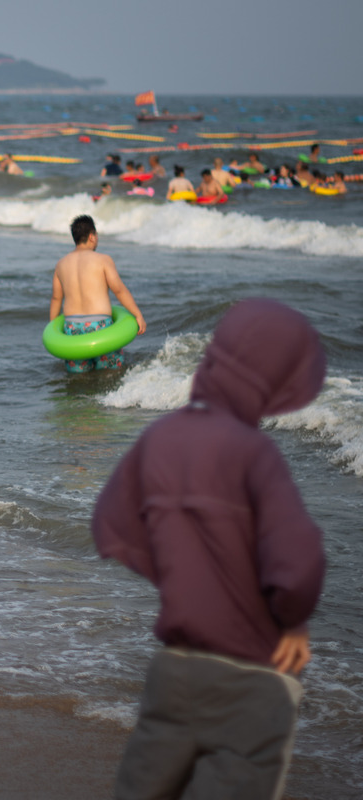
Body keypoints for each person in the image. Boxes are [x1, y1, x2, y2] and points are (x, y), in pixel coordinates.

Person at [92, 298, 325, 800]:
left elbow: (111, 523)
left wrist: (185, 577)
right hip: (254, 679)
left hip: (175, 671)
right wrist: (293, 620)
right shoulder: (253, 452)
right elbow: (299, 562)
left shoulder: (160, 436)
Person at [49, 215, 146, 374]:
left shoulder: (61, 264)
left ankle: (79, 397)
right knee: (110, 374)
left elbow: (56, 298)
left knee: (78, 377)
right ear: (92, 237)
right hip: (100, 325)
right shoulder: (103, 260)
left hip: (72, 327)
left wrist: (54, 331)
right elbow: (119, 290)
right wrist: (138, 314)